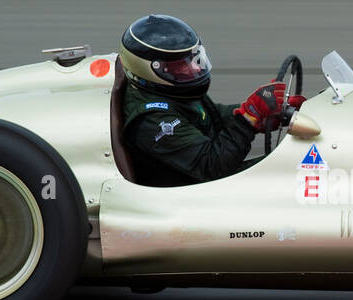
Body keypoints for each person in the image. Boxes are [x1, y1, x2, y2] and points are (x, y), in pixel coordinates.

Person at [118, 14, 302, 187]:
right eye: (181, 66)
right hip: (191, 195)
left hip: (205, 183)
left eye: (193, 59)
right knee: (299, 171)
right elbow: (214, 167)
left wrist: (264, 114)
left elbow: (211, 117)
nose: (195, 69)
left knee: (296, 161)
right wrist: (248, 118)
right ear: (150, 70)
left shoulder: (173, 94)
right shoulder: (154, 120)